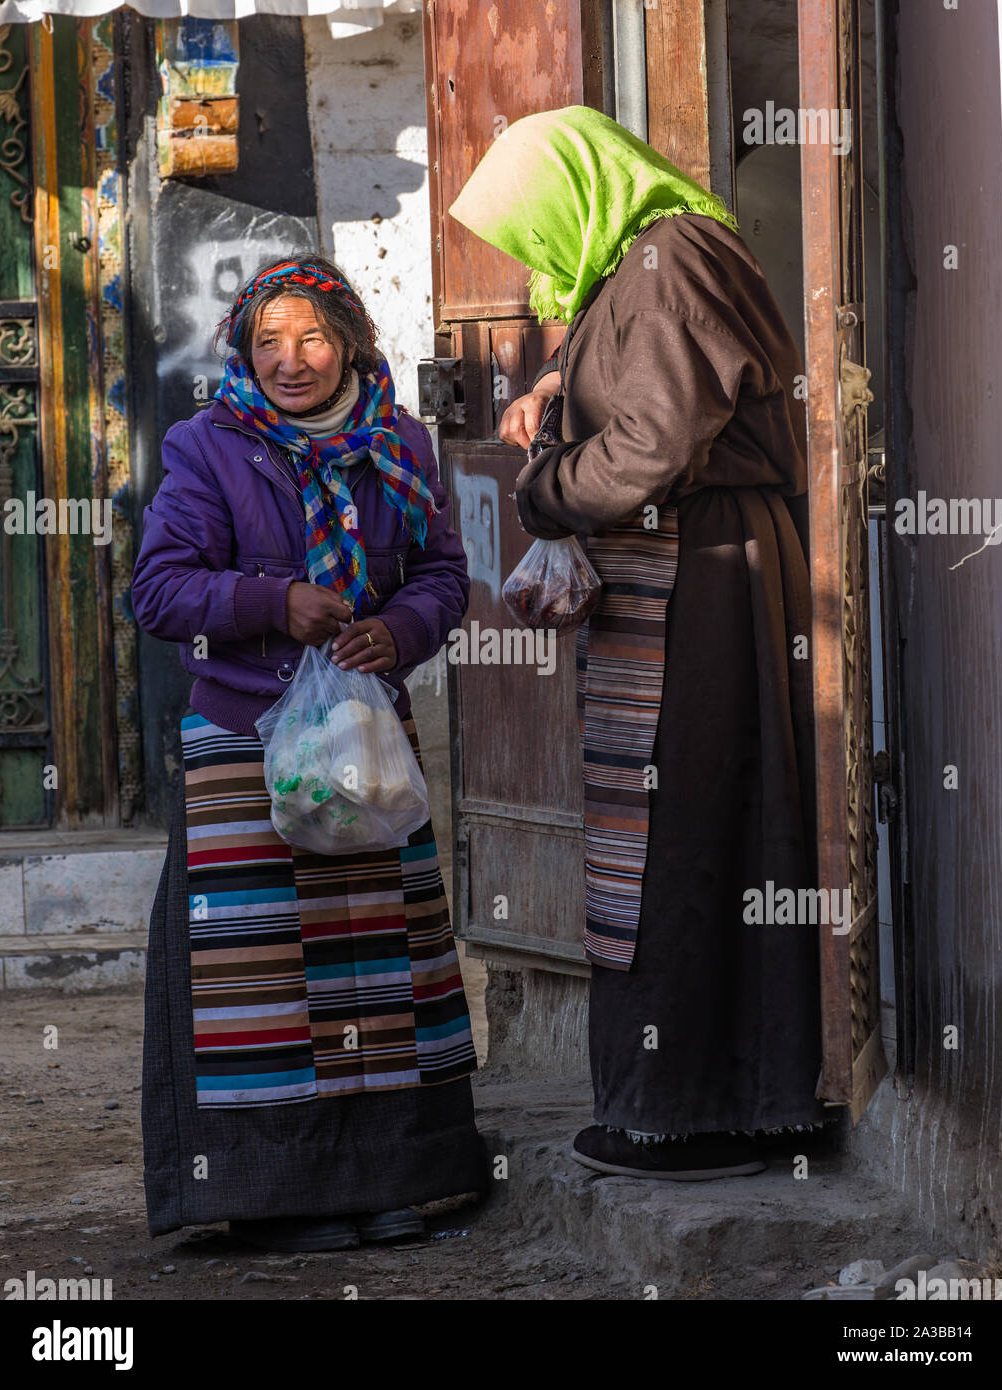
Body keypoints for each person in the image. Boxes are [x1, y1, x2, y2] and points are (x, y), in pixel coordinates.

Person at [449, 105, 828, 1180]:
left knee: (677, 828)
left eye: (530, 228)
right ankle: (719, 1101)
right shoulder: (645, 260)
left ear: (576, 192)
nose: (528, 257)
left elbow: (656, 440)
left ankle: (689, 1111)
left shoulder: (670, 260)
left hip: (698, 579)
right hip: (685, 573)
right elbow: (648, 383)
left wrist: (545, 491)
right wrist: (559, 388)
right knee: (678, 824)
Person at [132, 255, 486, 1250]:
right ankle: (278, 1194)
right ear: (243, 351)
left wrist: (401, 630)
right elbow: (159, 590)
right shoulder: (208, 448)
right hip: (248, 743)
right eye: (269, 342)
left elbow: (442, 576)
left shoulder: (399, 444)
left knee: (373, 966)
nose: (292, 361)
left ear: (351, 344)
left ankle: (387, 1178)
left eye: (314, 339)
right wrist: (269, 602)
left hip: (362, 742)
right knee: (266, 979)